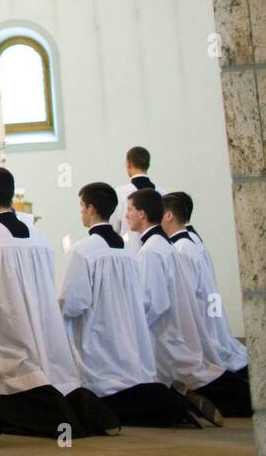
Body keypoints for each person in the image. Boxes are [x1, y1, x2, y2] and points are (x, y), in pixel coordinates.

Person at [0, 168, 119, 438]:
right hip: (44, 335)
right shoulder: (40, 237)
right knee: (57, 384)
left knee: (14, 395)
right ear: (11, 195)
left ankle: (68, 422)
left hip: (8, 342)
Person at [58, 183, 198, 427]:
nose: (80, 211)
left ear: (91, 209)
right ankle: (176, 404)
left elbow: (71, 303)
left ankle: (173, 407)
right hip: (129, 339)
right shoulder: (129, 251)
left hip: (98, 340)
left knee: (104, 397)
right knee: (132, 384)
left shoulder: (82, 250)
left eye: (81, 206)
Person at [127, 189, 226, 424]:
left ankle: (181, 405)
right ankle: (185, 400)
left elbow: (155, 302)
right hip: (176, 333)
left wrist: (134, 326)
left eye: (129, 210)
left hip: (161, 338)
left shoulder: (150, 251)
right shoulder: (164, 244)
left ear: (142, 214)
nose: (126, 215)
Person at [160, 193, 252, 416]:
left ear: (169, 215)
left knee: (210, 370)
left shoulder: (181, 249)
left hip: (201, 321)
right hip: (210, 317)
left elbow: (186, 294)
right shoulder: (192, 243)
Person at [110, 145, 156, 251]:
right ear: (147, 165)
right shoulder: (162, 193)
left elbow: (113, 228)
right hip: (158, 252)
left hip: (130, 255)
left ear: (129, 164)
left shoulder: (119, 194)